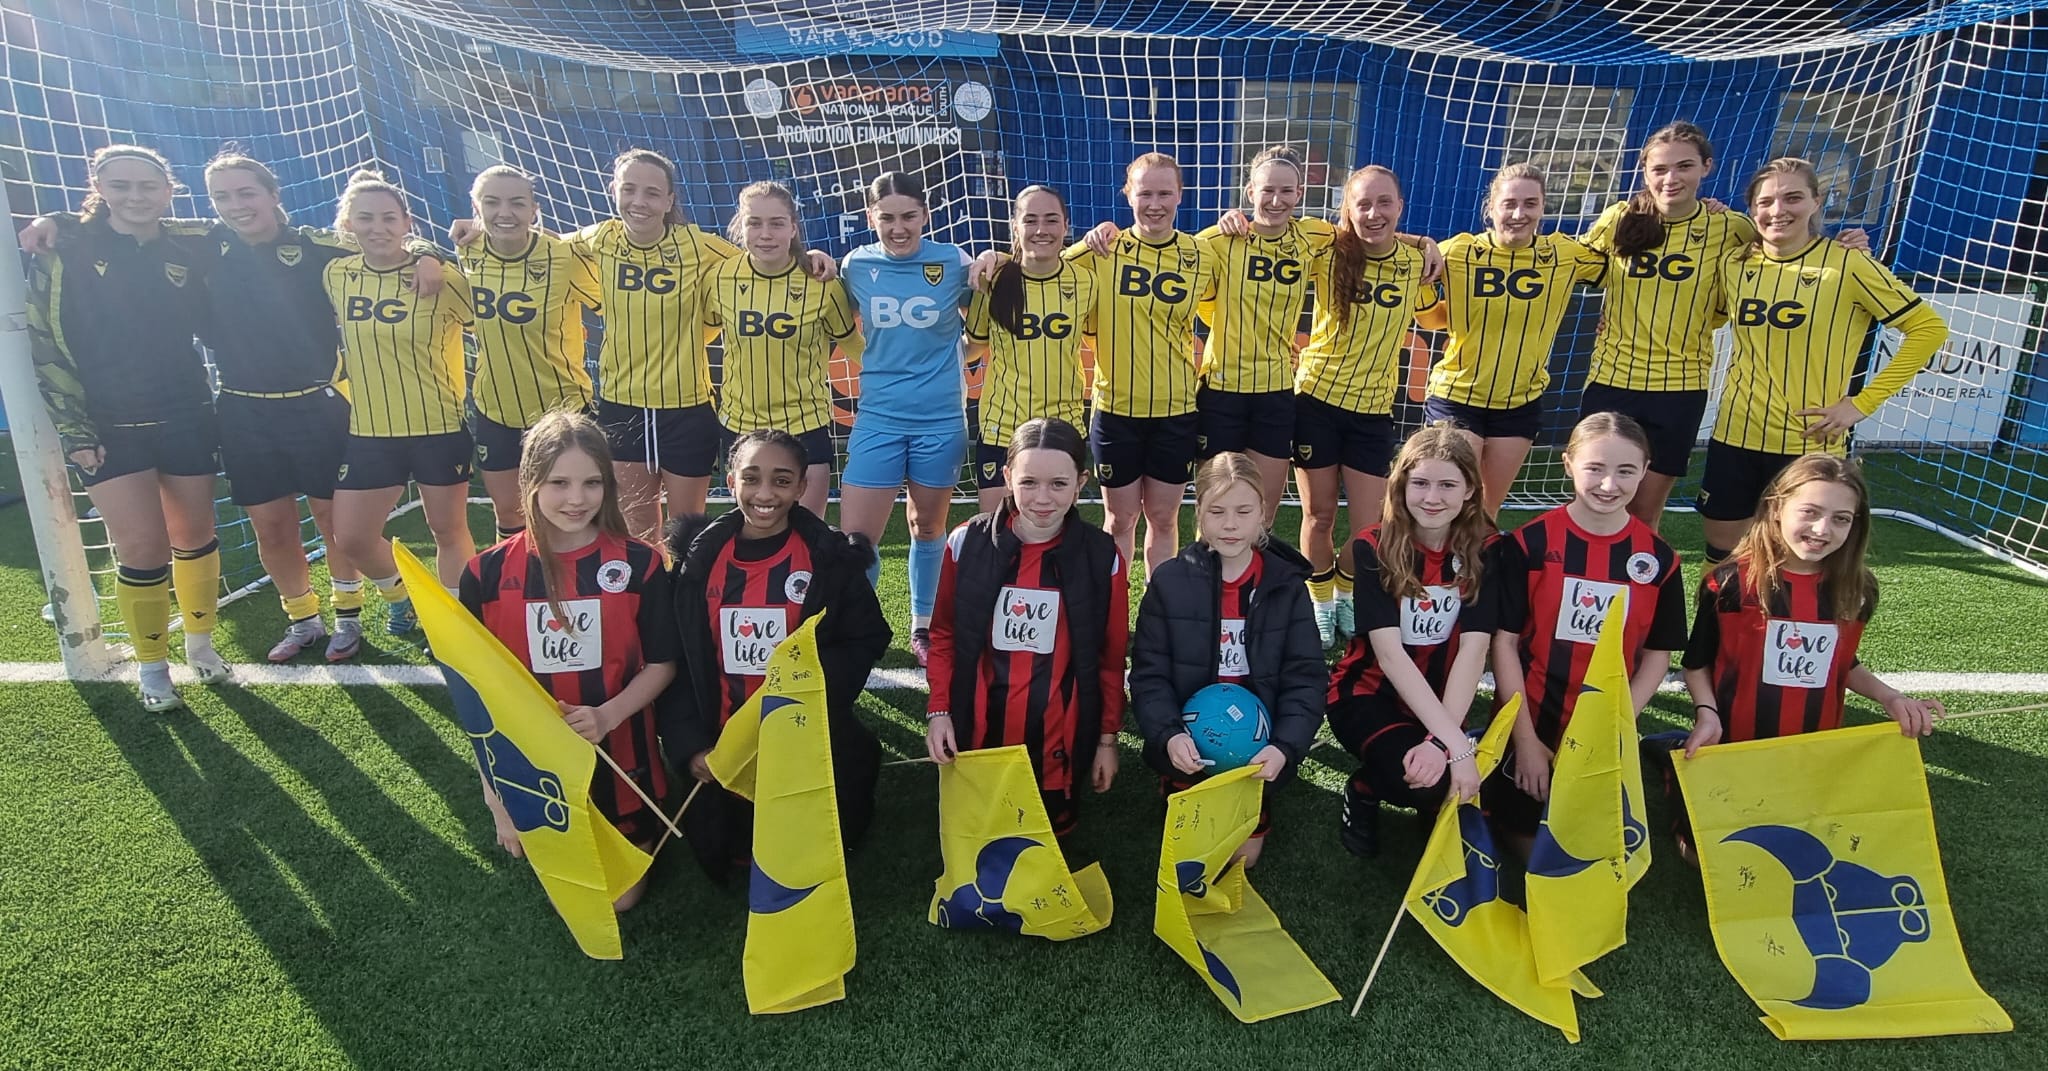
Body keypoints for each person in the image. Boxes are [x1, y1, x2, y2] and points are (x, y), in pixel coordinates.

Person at [18, 152, 450, 663]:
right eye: (222, 196)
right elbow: (123, 216)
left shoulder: (314, 246)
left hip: (319, 404)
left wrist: (428, 253)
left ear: (273, 195)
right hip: (243, 411)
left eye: (247, 193)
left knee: (333, 519)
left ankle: (349, 616)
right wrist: (56, 220)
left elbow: (388, 238)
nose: (236, 205)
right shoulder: (201, 243)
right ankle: (302, 618)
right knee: (271, 525)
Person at [447, 150, 835, 542]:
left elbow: (764, 261)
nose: (639, 202)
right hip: (621, 406)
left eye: (652, 193)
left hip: (686, 408)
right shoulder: (597, 240)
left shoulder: (701, 247)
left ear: (669, 201)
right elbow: (538, 243)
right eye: (629, 189)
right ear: (614, 191)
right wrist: (480, 228)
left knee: (687, 533)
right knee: (635, 532)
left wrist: (809, 257)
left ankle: (686, 601)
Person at [1647, 454, 1944, 862]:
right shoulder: (1731, 583)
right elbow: (1696, 663)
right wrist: (1706, 714)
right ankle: (1673, 762)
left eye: (1841, 519)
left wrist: (1891, 697)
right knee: (1708, 857)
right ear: (1776, 507)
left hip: (1809, 752)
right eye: (1810, 511)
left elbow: (1843, 663)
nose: (1823, 529)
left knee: (1805, 852)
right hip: (1731, 743)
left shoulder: (1857, 590)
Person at [1578, 123, 1872, 528]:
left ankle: (1639, 586)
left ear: (1707, 168)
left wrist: (1842, 247)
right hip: (1610, 380)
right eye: (1660, 168)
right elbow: (1574, 269)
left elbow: (1787, 243)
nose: (1671, 178)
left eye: (1684, 166)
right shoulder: (1618, 219)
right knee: (1597, 501)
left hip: (1679, 389)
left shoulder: (1731, 226)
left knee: (1643, 512)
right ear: (1644, 170)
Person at [27, 144, 226, 710]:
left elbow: (245, 225)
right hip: (108, 425)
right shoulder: (66, 249)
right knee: (142, 547)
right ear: (98, 187)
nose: (134, 197)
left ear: (169, 190)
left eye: (147, 186)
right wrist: (75, 429)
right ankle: (152, 667)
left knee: (193, 534)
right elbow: (46, 343)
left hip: (187, 412)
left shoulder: (187, 244)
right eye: (120, 186)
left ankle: (201, 644)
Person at [456, 410, 675, 910]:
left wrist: (606, 715)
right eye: (559, 483)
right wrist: (497, 800)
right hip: (532, 766)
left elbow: (664, 664)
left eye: (591, 483)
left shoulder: (639, 563)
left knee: (618, 900)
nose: (576, 499)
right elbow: (476, 697)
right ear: (529, 482)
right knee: (571, 880)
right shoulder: (485, 575)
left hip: (623, 757)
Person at [662, 430, 892, 881]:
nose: (765, 494)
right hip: (722, 745)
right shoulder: (698, 563)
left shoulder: (830, 559)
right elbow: (677, 664)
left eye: (782, 481)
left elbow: (867, 637)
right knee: (722, 859)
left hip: (805, 738)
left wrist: (808, 689)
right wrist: (691, 749)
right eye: (752, 478)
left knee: (816, 854)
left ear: (803, 487)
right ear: (731, 482)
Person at [1697, 157, 1948, 563]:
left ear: (1816, 202)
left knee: (1800, 561)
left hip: (1810, 444)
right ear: (1752, 210)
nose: (1778, 210)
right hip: (1735, 435)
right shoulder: (1736, 263)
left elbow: (1929, 330)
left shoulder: (1848, 264)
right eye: (1766, 202)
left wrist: (1861, 403)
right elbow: (1712, 316)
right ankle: (1712, 629)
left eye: (1792, 198)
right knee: (1724, 556)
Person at [1486, 412, 1689, 850]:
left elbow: (1658, 655)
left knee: (1589, 844)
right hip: (1533, 719)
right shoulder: (1528, 544)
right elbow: (1502, 643)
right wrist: (1525, 742)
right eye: (1595, 467)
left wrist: (1616, 725)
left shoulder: (1659, 560)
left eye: (1626, 471)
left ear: (1645, 472)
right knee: (1528, 845)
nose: (1609, 485)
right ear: (1568, 464)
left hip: (1603, 725)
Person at [924, 418, 1128, 839]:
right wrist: (940, 711)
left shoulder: (1101, 556)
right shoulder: (967, 543)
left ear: (1080, 483)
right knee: (980, 845)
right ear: (1007, 478)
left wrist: (1107, 739)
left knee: (1042, 852)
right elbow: (942, 634)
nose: (1042, 498)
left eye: (1058, 484)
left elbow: (1110, 656)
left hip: (1059, 743)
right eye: (1029, 482)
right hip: (978, 736)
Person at [1129, 452, 1324, 868]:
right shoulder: (1169, 582)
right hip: (1191, 737)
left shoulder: (1286, 587)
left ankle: (1252, 792)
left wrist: (1284, 747)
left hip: (1257, 746)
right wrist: (1169, 735)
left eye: (1243, 511)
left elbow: (1305, 678)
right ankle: (1179, 777)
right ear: (1198, 512)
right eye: (1217, 511)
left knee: (1242, 860)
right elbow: (1149, 674)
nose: (1231, 524)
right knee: (1192, 849)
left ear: (1263, 514)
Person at [1326, 424, 1496, 857]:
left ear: (1471, 491)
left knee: (1445, 786)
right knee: (1428, 781)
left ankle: (1428, 791)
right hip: (1367, 693)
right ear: (1400, 486)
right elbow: (1390, 655)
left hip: (1442, 701)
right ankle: (1365, 787)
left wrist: (1443, 741)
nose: (1432, 497)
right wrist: (1456, 746)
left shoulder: (1491, 550)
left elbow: (1475, 650)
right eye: (1419, 483)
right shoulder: (1373, 547)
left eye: (1447, 484)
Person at [320, 169, 477, 633]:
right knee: (350, 536)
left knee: (447, 531)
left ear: (407, 222)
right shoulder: (337, 274)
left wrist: (430, 255)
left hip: (438, 425)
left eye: (389, 218)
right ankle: (405, 599)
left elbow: (482, 326)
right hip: (370, 431)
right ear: (348, 223)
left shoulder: (441, 277)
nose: (378, 227)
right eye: (365, 218)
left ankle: (455, 625)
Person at [1294, 165, 1442, 647]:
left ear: (1401, 206)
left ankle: (1347, 588)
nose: (1374, 213)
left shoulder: (1415, 262)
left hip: (1372, 411)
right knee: (1317, 516)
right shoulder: (1327, 250)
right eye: (1363, 204)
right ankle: (1320, 601)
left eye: (1384, 202)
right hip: (1314, 399)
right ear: (1347, 209)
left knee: (1370, 525)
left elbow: (1435, 317)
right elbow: (1275, 226)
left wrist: (1426, 244)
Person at [836, 171, 977, 666]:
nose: (898, 228)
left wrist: (958, 353)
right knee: (858, 540)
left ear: (925, 214)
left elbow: (979, 328)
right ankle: (859, 629)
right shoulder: (856, 264)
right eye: (887, 218)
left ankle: (923, 626)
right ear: (871, 217)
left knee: (928, 525)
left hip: (940, 419)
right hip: (877, 417)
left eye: (908, 217)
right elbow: (835, 317)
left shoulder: (953, 261)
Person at [1418, 163, 1608, 519]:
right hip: (1457, 397)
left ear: (1543, 207)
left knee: (1487, 510)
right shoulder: (1458, 252)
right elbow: (1429, 318)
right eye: (1509, 203)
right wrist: (1423, 256)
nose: (1519, 214)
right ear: (1491, 207)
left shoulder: (1565, 254)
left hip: (1519, 402)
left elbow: (1624, 271)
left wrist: (1612, 315)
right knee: (1451, 505)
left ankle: (1471, 575)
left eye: (1530, 204)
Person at [1064, 153, 1220, 579]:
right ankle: (1111, 608)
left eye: (1165, 193)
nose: (1155, 203)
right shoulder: (1103, 249)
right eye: (1145, 192)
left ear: (1180, 196)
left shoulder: (1202, 254)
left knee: (1165, 520)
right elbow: (1038, 265)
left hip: (1176, 412)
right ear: (1128, 194)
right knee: (1119, 521)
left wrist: (1422, 243)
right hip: (1116, 412)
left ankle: (1160, 610)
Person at [700, 180, 858, 519]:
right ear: (740, 227)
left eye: (776, 223)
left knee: (806, 536)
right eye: (754, 223)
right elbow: (700, 332)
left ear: (793, 228)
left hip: (804, 426)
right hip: (740, 426)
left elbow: (857, 347)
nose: (765, 233)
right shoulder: (720, 278)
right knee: (753, 534)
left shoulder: (822, 285)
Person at [459, 165, 601, 540]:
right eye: (492, 202)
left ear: (534, 209)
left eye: (517, 203)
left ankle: (584, 589)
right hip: (496, 408)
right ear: (476, 207)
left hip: (564, 410)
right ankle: (515, 591)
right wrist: (425, 250)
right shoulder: (466, 253)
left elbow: (612, 301)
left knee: (574, 508)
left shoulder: (564, 256)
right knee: (510, 511)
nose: (504, 212)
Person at [1190, 146, 1331, 515]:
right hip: (1221, 393)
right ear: (1250, 192)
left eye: (1286, 191)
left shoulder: (1315, 236)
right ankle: (1211, 574)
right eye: (1267, 190)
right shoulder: (1216, 241)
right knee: (1214, 506)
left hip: (1276, 393)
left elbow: (1368, 235)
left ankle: (1255, 574)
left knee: (1262, 509)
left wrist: (1424, 243)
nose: (1276, 199)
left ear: (1300, 194)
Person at [964, 186, 1098, 515]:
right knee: (996, 535)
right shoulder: (991, 280)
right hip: (1002, 428)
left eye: (1051, 220)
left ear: (1066, 226)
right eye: (1030, 220)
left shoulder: (1087, 282)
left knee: (1054, 535)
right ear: (1015, 226)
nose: (1041, 230)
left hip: (1063, 427)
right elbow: (974, 344)